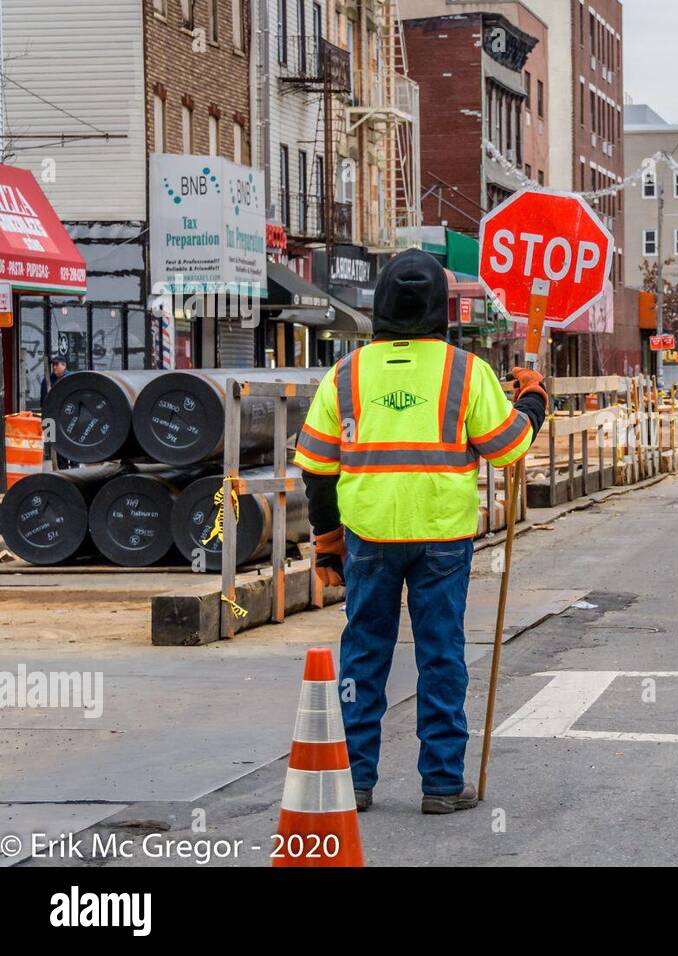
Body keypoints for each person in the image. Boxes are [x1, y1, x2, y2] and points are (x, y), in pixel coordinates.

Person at [293, 249, 547, 815]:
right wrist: (534, 400)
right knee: (441, 656)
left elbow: (315, 467)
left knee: (363, 657)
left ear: (380, 304)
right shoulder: (466, 371)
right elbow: (508, 448)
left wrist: (328, 540)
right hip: (442, 540)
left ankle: (354, 780)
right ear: (442, 308)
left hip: (369, 537)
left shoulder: (346, 374)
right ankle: (441, 782)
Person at [39, 356, 70, 470]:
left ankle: (76, 470)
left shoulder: (70, 378)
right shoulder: (47, 381)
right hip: (53, 418)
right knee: (58, 445)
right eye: (53, 365)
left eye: (57, 364)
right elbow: (43, 401)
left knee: (71, 445)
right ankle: (62, 470)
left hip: (68, 417)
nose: (54, 367)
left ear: (64, 365)